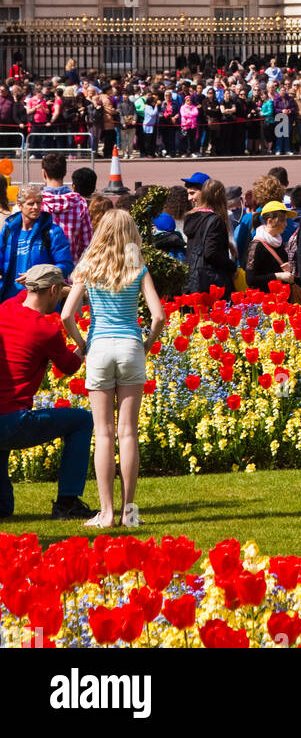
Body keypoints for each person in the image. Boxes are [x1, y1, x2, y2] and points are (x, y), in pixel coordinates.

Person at [61, 210, 165, 529]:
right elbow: (158, 316)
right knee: (128, 432)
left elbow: (67, 315)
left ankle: (106, 513)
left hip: (100, 347)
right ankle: (129, 513)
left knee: (104, 434)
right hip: (131, 346)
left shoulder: (89, 268)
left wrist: (83, 342)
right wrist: (146, 345)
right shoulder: (138, 268)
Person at [0, 264, 94, 521]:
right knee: (82, 420)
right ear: (53, 290)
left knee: (4, 509)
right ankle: (67, 502)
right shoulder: (45, 330)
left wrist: (33, 282)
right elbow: (69, 366)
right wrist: (84, 345)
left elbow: (25, 296)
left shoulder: (5, 308)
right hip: (14, 422)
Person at [0, 183, 74, 302]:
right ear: (19, 205)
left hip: (41, 300)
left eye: (39, 202)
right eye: (30, 203)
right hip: (10, 299)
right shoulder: (9, 230)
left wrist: (39, 275)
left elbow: (66, 265)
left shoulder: (53, 232)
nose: (36, 207)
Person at [184, 179, 238, 299]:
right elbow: (211, 253)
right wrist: (232, 267)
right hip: (211, 280)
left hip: (193, 277)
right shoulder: (215, 220)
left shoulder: (191, 217)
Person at [40, 153, 93, 264]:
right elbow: (87, 245)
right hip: (71, 274)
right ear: (64, 172)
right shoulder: (80, 203)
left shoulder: (35, 204)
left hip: (40, 276)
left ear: (44, 173)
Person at [245, 201, 295, 292]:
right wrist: (278, 276)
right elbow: (250, 279)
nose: (286, 224)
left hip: (280, 297)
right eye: (282, 220)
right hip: (264, 300)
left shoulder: (278, 242)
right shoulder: (257, 245)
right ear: (270, 221)